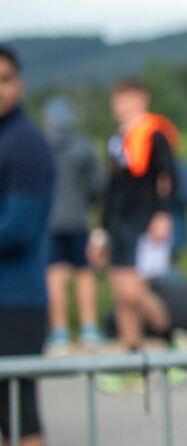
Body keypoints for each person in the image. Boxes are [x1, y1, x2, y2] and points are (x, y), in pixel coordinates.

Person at [0, 46, 56, 446]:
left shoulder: (26, 144)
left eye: (6, 78)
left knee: (20, 414)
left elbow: (18, 227)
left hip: (15, 300)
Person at [92, 77, 176, 352]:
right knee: (121, 295)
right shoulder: (118, 139)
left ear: (141, 98)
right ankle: (132, 354)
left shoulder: (154, 133)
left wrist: (163, 214)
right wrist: (102, 229)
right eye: (116, 100)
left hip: (143, 220)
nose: (119, 106)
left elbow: (167, 177)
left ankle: (169, 337)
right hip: (118, 221)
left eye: (125, 99)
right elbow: (112, 186)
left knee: (134, 291)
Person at [41, 97, 105, 350]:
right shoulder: (83, 145)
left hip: (49, 221)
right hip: (79, 217)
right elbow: (98, 185)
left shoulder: (41, 146)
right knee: (84, 273)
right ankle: (89, 328)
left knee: (55, 275)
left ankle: (60, 331)